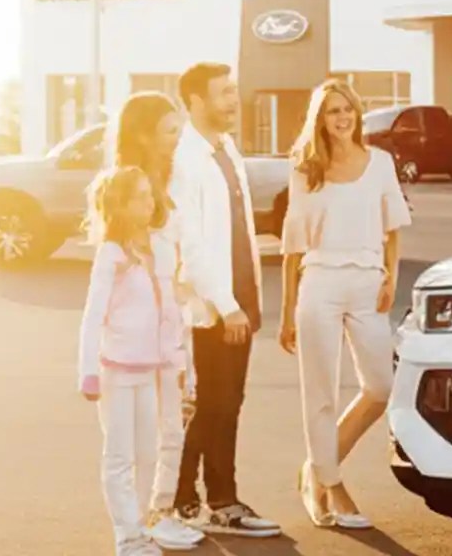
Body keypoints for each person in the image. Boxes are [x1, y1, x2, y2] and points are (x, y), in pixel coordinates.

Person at [278, 79, 411, 528]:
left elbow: (393, 226)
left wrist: (391, 274)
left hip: (368, 282)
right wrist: (286, 313)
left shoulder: (381, 164)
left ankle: (314, 468)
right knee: (320, 393)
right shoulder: (305, 170)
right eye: (332, 111)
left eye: (347, 110)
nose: (341, 118)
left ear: (356, 114)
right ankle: (329, 487)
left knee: (379, 386)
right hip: (319, 283)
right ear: (320, 119)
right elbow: (292, 246)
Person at [169, 63, 280, 537]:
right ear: (195, 101)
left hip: (240, 300)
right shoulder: (185, 159)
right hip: (212, 309)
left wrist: (246, 300)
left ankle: (203, 499)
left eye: (235, 90)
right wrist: (226, 303)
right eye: (223, 94)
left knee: (227, 403)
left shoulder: (227, 148)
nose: (234, 100)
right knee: (211, 404)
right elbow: (190, 243)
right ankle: (194, 499)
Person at [78, 166, 198, 555]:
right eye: (141, 197)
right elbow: (93, 315)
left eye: (151, 194)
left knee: (147, 452)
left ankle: (142, 527)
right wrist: (88, 372)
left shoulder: (155, 248)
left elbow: (171, 312)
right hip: (116, 373)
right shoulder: (111, 255)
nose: (151, 202)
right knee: (119, 456)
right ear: (121, 206)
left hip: (150, 370)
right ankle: (127, 538)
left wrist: (181, 364)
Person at [109, 91, 206, 548]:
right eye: (170, 131)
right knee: (143, 435)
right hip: (142, 331)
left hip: (174, 315)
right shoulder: (130, 189)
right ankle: (141, 524)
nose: (177, 139)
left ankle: (160, 511)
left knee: (175, 418)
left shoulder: (173, 178)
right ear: (144, 134)